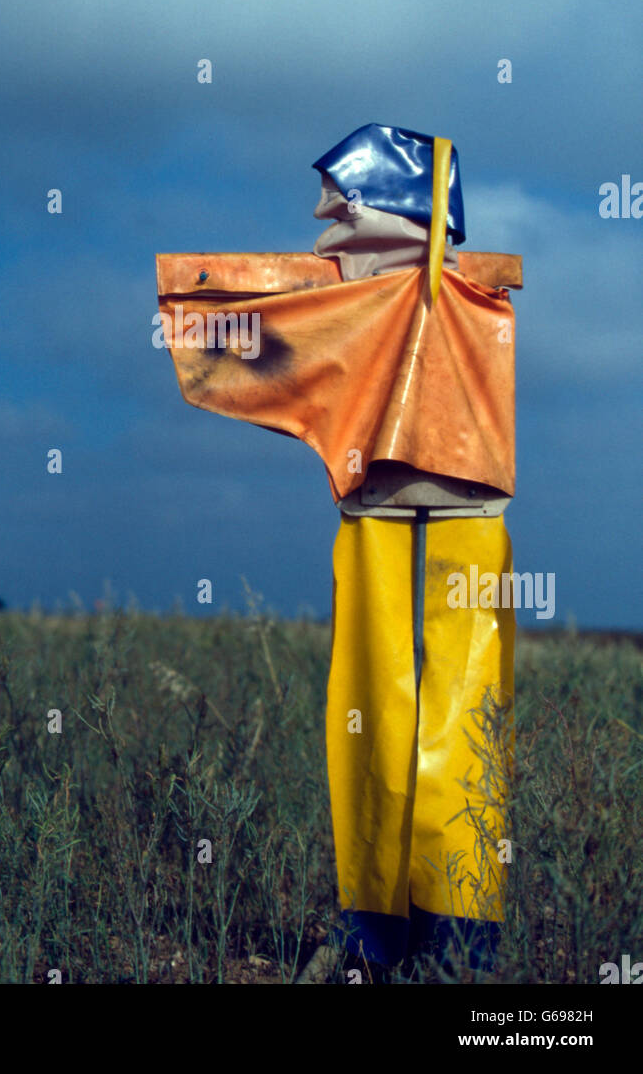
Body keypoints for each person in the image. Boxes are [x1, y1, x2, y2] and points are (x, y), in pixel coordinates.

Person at [155, 123, 521, 980]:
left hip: (456, 506)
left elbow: (271, 324)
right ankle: (391, 928)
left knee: (457, 712)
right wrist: (199, 297)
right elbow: (268, 320)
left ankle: (452, 934)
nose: (325, 230)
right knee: (381, 704)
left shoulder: (466, 297)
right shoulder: (414, 296)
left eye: (341, 210)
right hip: (389, 506)